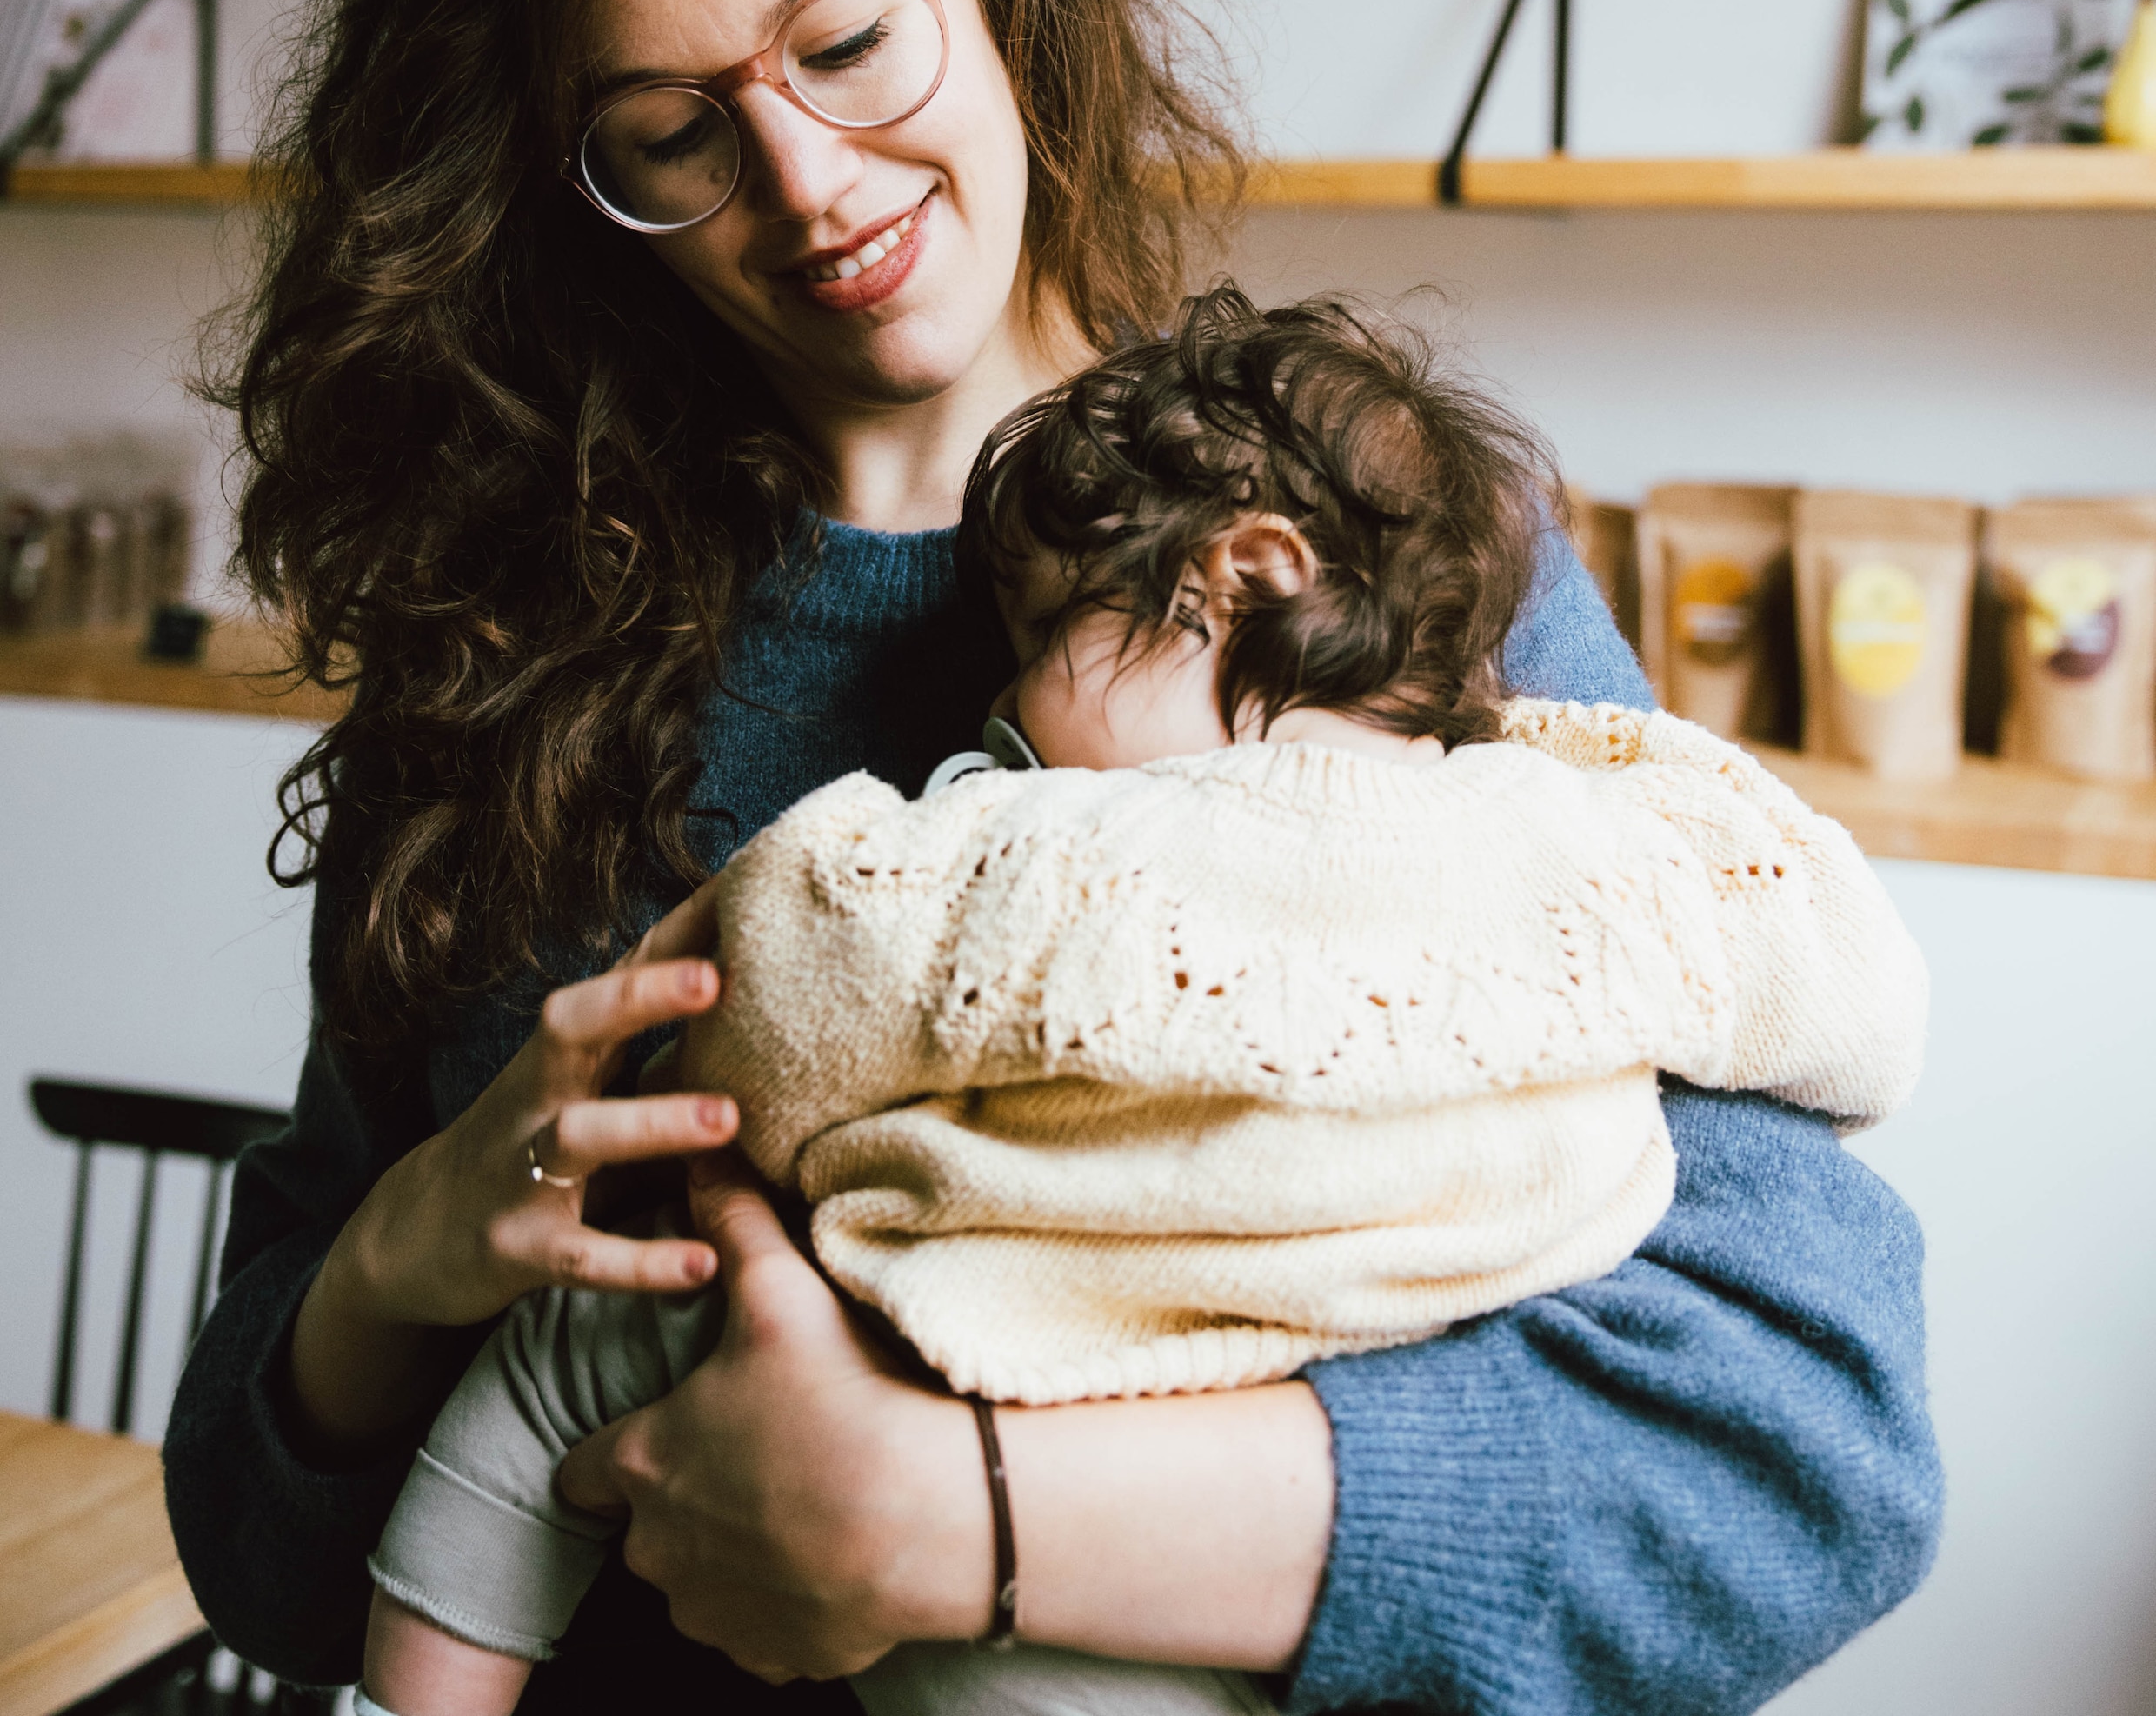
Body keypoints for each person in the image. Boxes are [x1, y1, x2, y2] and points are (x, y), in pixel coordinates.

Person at [164, 0, 1943, 1715]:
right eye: (670, 132)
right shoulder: (500, 669)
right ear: (580, 197)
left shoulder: (1343, 562)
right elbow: (254, 1543)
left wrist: (962, 1517)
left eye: (845, 41)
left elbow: (1804, 1447)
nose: (810, 182)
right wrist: (406, 1248)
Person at [352, 290, 1928, 1716]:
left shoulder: (1060, 843)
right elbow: (1853, 1006)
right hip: (1283, 1502)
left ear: (1243, 578)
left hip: (1010, 1367)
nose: (1005, 692)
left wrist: (728, 982)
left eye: (1045, 629)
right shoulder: (1589, 822)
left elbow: (795, 993)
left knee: (582, 1341)